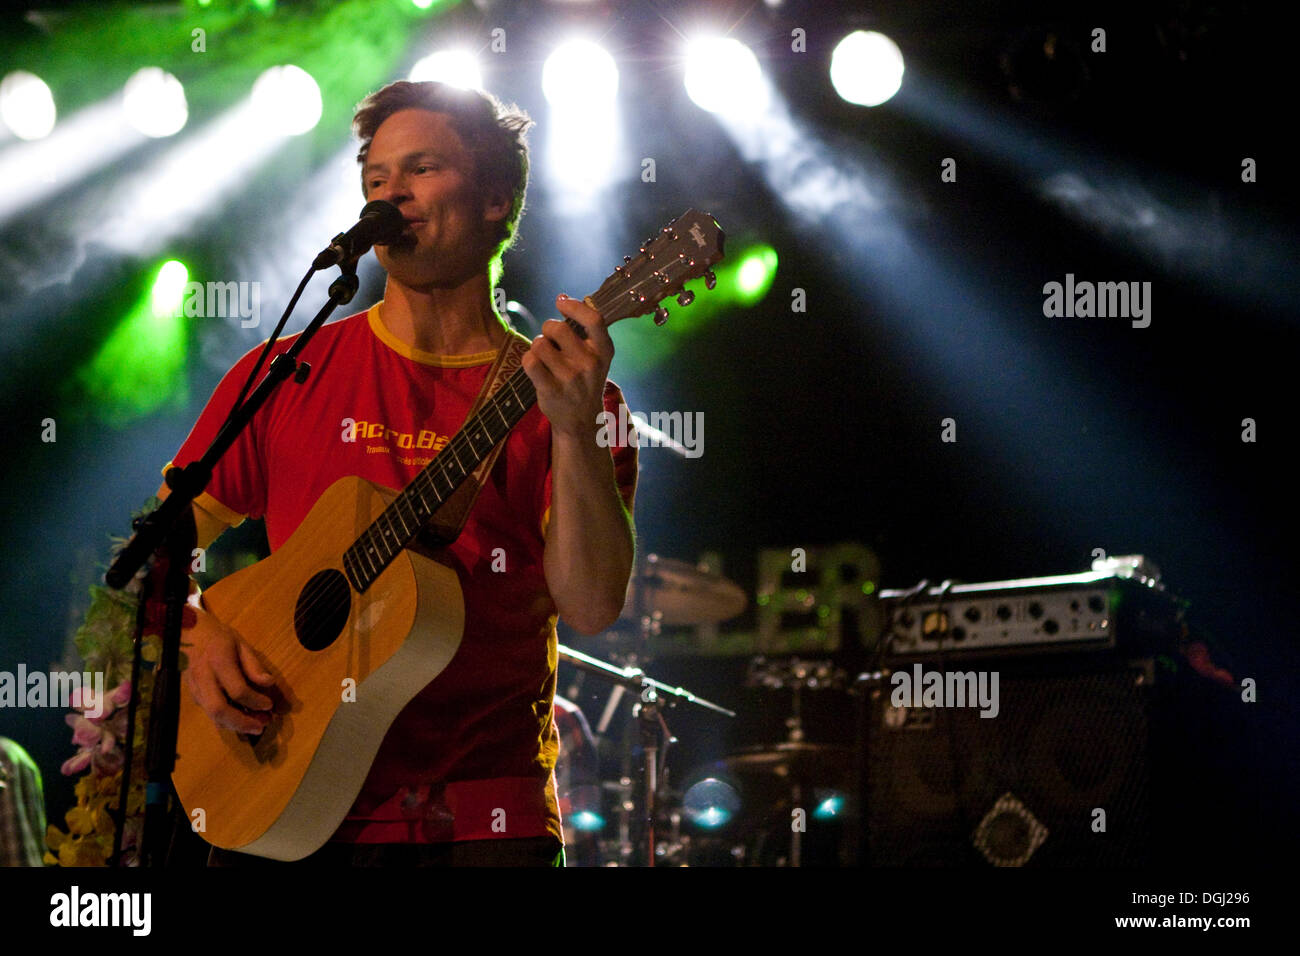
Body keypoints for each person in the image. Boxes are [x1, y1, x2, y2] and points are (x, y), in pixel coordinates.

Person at [160, 80, 637, 866]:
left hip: (482, 824)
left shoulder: (574, 395)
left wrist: (576, 432)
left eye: (421, 169)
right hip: (278, 792)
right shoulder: (289, 370)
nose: (391, 194)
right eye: (376, 178)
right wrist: (200, 632)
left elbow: (589, 604)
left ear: (495, 199)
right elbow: (159, 546)